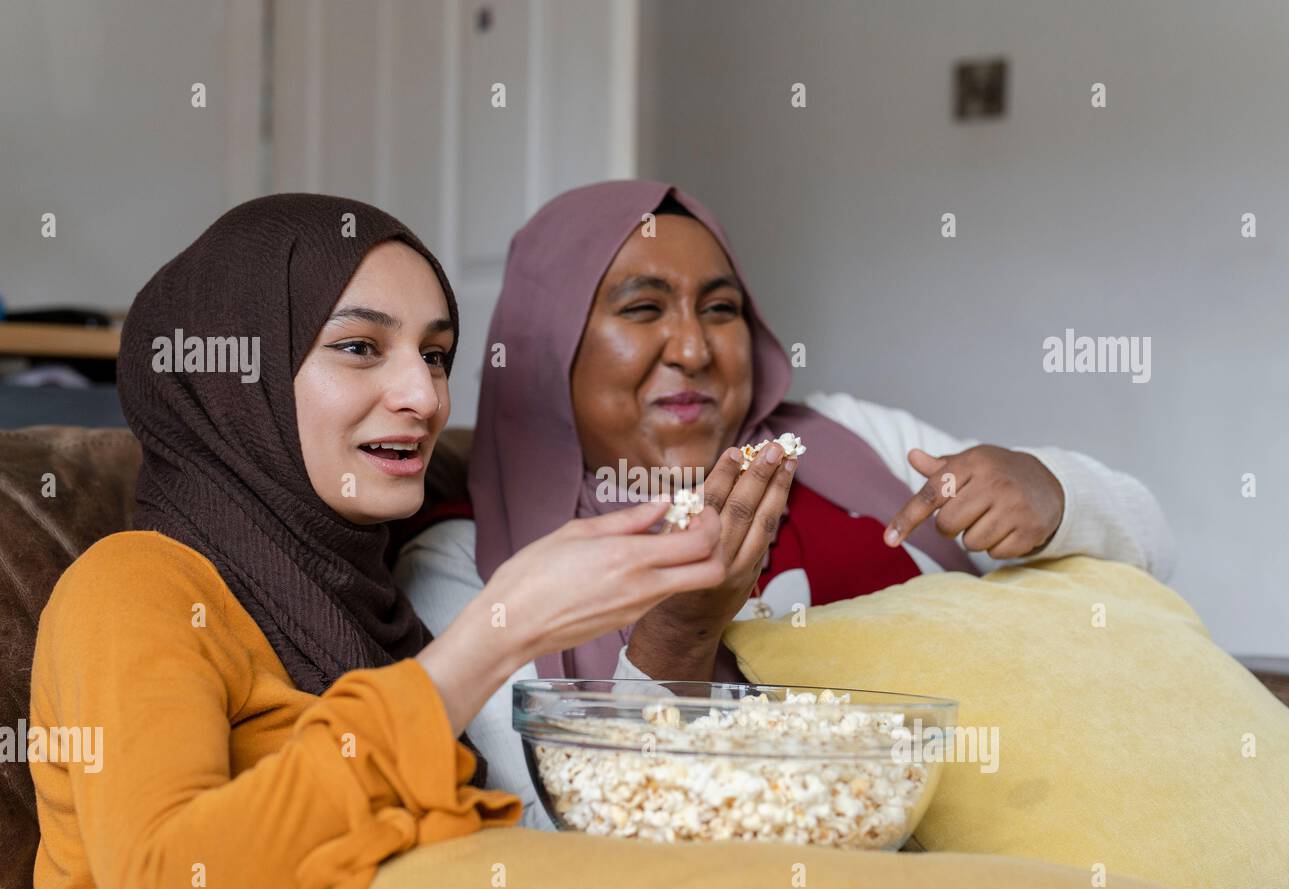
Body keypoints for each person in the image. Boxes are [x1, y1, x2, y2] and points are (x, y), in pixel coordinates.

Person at [26, 193, 723, 889]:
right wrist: (500, 629)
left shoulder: (369, 603)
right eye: (360, 347)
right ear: (233, 378)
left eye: (434, 354)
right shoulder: (133, 586)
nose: (424, 398)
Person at [397, 180, 1174, 829]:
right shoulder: (468, 561)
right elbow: (553, 832)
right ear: (544, 344)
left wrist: (1053, 490)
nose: (695, 349)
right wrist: (678, 642)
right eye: (642, 309)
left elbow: (1155, 551)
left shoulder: (850, 437)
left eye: (721, 307)